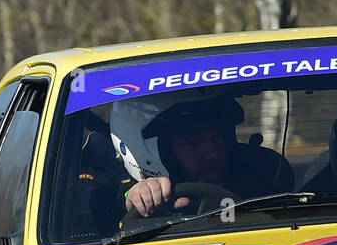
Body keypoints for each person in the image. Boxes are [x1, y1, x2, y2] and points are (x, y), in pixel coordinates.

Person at [120, 92, 292, 218]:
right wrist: (136, 196)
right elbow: (115, 200)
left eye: (218, 139)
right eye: (193, 142)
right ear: (163, 151)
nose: (212, 153)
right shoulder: (140, 188)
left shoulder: (261, 181)